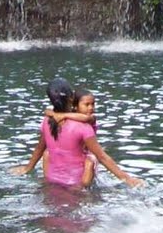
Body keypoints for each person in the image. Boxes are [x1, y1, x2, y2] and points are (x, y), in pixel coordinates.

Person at [12, 78, 144, 188]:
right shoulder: (82, 127)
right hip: (77, 183)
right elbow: (103, 157)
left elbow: (40, 148)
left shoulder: (47, 121)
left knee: (47, 153)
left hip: (52, 179)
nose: (91, 108)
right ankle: (82, 189)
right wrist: (127, 179)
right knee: (92, 158)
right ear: (72, 100)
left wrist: (28, 168)